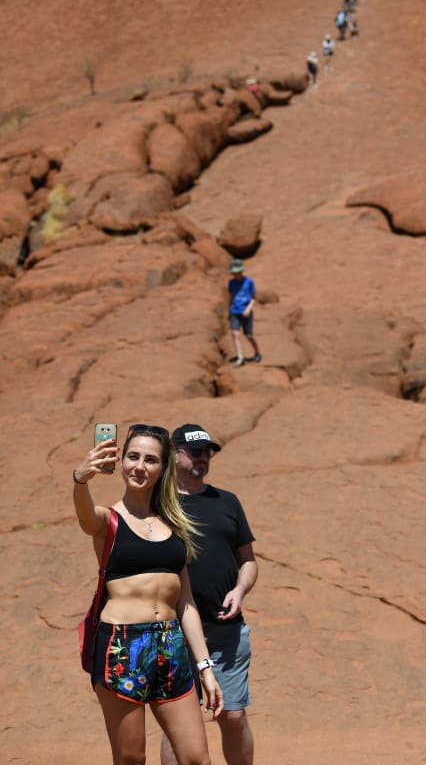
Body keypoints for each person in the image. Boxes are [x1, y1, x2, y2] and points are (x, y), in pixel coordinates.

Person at [72, 424, 224, 765]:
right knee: (131, 758)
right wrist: (80, 480)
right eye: (133, 457)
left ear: (163, 468)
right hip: (122, 647)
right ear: (122, 461)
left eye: (150, 459)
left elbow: (185, 602)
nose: (139, 466)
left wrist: (205, 666)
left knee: (197, 758)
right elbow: (85, 518)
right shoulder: (107, 520)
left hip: (171, 647)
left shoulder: (175, 525)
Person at [161, 423, 258, 765]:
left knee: (232, 716)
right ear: (172, 453)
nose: (204, 457)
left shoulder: (227, 502)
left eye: (208, 452)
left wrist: (240, 589)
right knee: (177, 727)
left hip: (225, 630)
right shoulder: (160, 504)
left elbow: (248, 560)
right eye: (195, 450)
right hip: (173, 633)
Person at [227, 258, 262, 367]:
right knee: (235, 333)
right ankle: (240, 357)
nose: (235, 274)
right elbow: (231, 296)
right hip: (234, 311)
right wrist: (229, 310)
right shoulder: (231, 283)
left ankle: (257, 352)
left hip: (246, 311)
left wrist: (248, 309)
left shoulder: (249, 282)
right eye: (233, 272)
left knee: (249, 335)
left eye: (236, 272)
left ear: (241, 271)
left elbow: (254, 298)